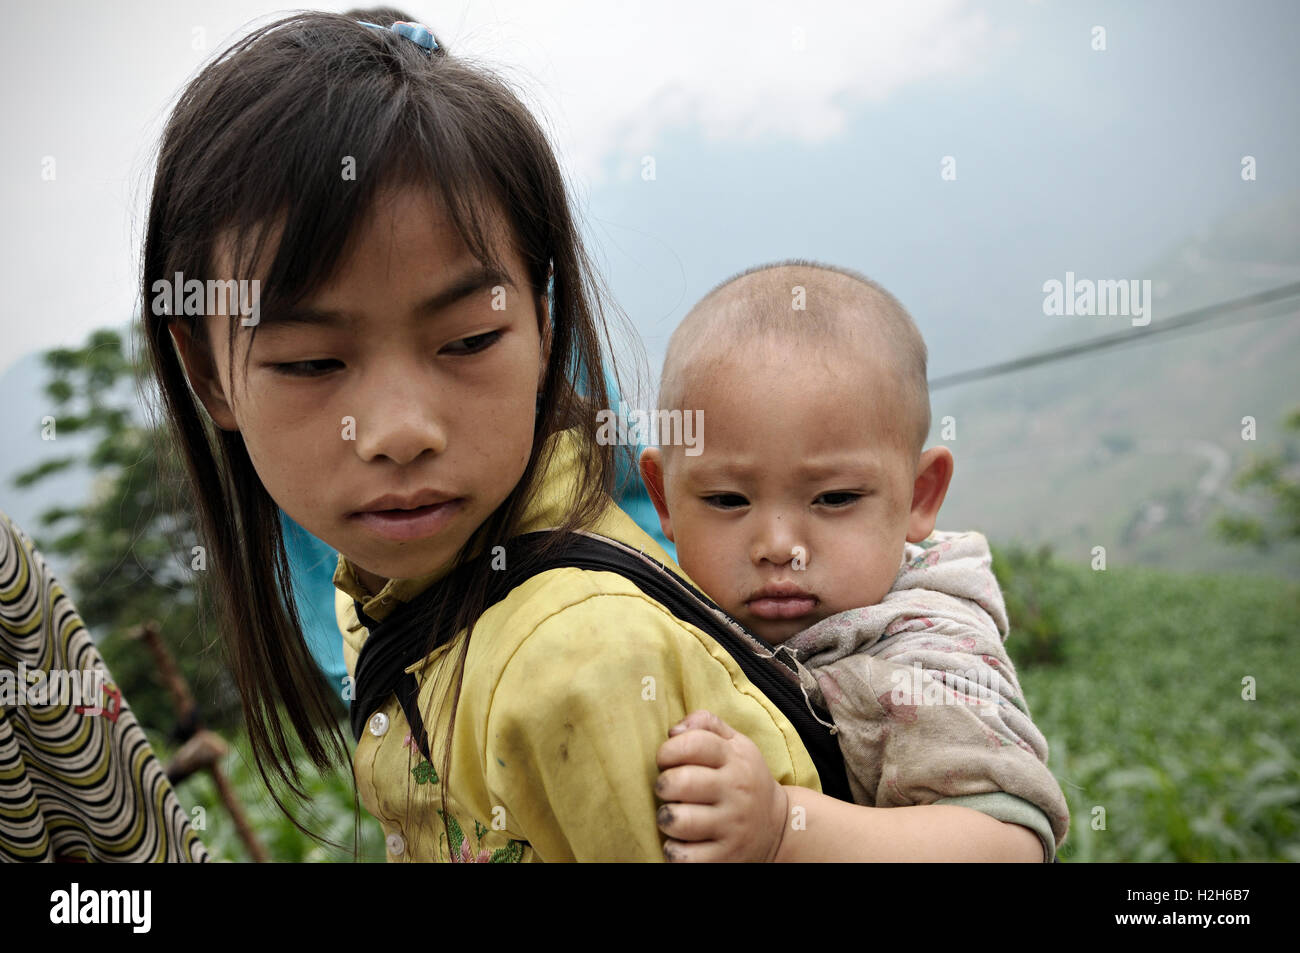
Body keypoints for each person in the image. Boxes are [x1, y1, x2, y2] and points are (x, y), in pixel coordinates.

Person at [143, 12, 826, 862]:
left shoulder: (579, 666)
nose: (400, 432)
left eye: (467, 342)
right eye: (315, 362)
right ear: (207, 373)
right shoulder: (387, 595)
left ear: (544, 325)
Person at [639, 261, 1071, 861]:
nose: (778, 546)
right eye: (726, 500)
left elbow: (1007, 843)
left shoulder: (925, 652)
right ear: (663, 497)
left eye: (835, 498)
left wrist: (783, 826)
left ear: (919, 496)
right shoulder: (648, 616)